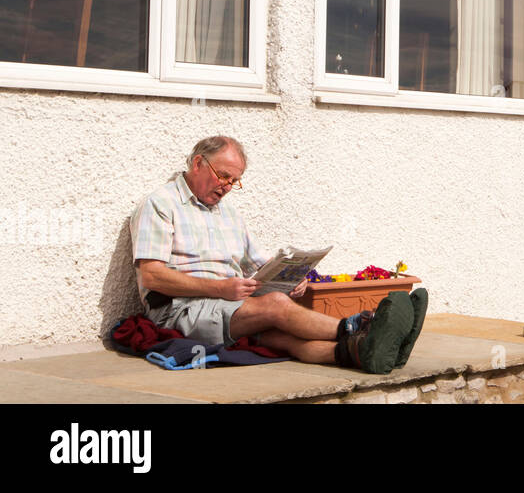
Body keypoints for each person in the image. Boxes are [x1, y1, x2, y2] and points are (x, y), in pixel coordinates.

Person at [129, 135, 423, 373]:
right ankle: (359, 327)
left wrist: (290, 277)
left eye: (235, 181)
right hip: (181, 309)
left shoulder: (228, 212)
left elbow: (259, 262)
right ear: (198, 163)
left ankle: (359, 352)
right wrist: (219, 287)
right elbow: (152, 276)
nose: (228, 187)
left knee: (286, 340)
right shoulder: (160, 204)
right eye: (224, 176)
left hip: (231, 306)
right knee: (276, 306)